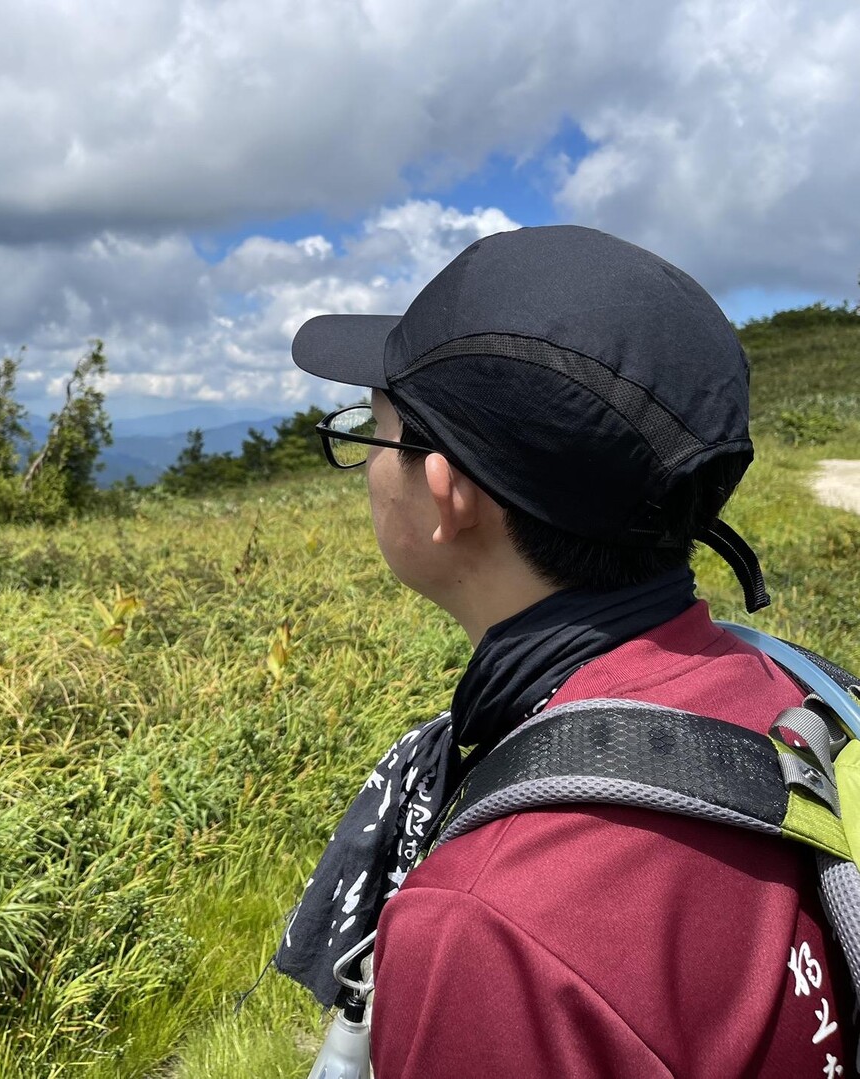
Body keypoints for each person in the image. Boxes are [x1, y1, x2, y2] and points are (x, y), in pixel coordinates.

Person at [279, 225, 852, 1076]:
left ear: (445, 490)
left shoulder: (490, 929)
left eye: (371, 429)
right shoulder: (785, 683)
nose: (365, 466)